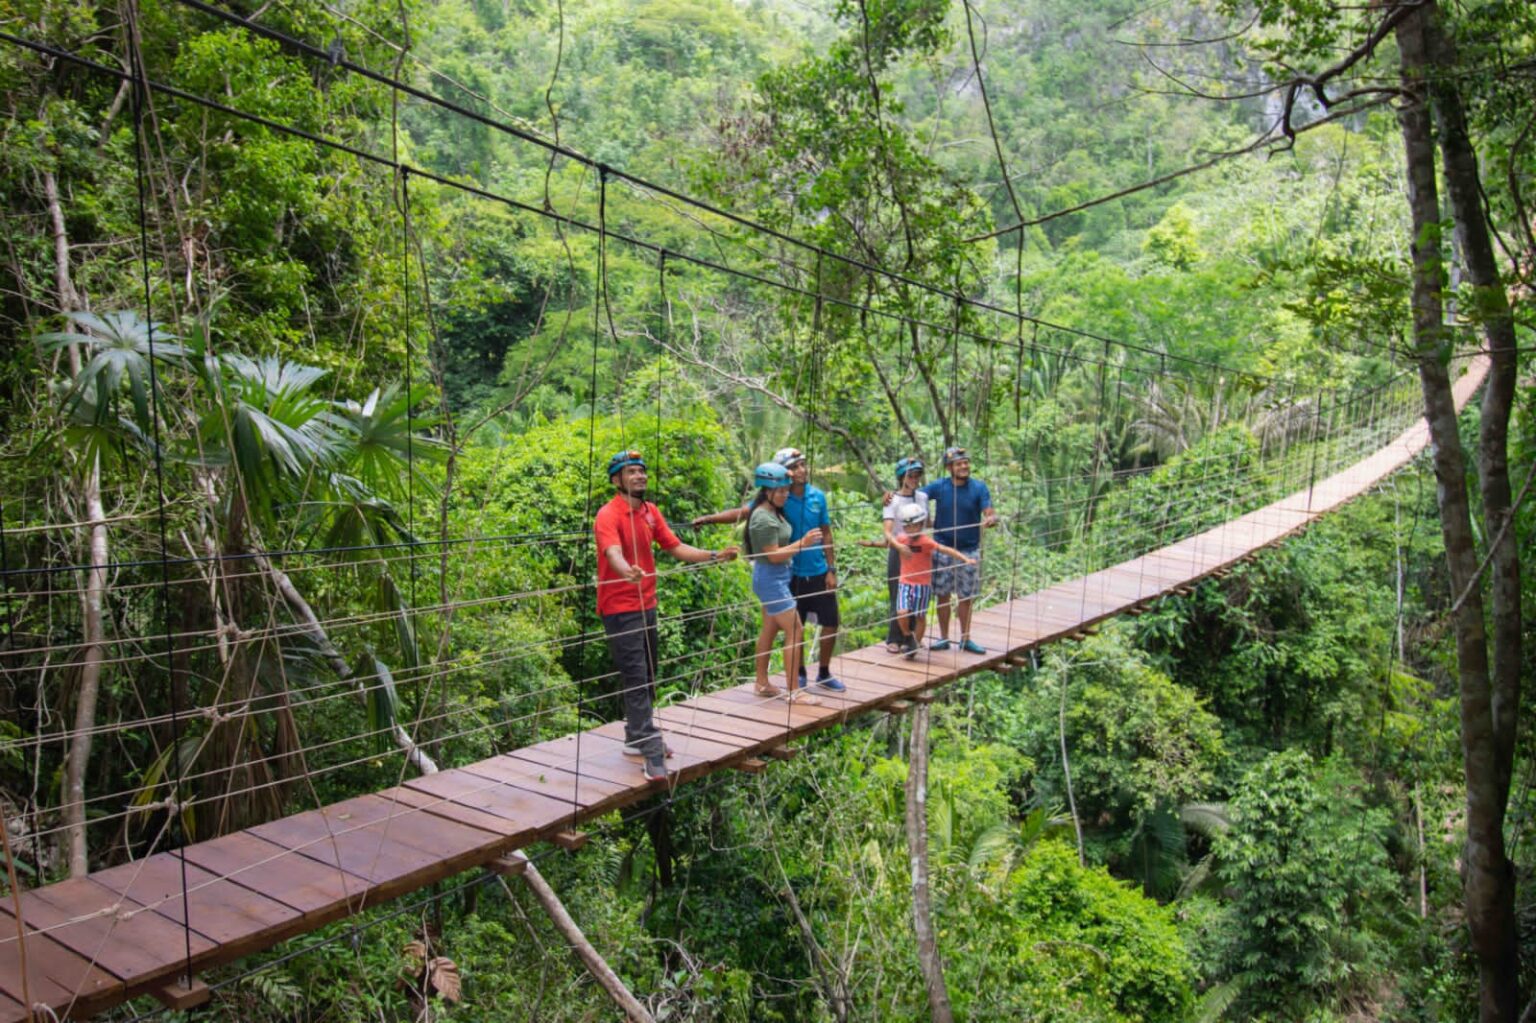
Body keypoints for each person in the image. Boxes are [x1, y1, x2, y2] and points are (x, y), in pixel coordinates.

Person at [594, 450, 738, 783]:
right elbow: (612, 552)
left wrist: (715, 556)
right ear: (617, 480)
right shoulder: (608, 514)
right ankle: (649, 748)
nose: (640, 476)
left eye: (642, 471)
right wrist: (625, 570)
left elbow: (675, 547)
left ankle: (635, 735)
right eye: (631, 472)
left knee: (649, 672)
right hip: (619, 607)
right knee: (636, 675)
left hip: (647, 604)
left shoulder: (650, 512)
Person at [692, 447, 846, 691]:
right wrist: (711, 518)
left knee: (826, 622)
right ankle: (796, 681)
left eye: (803, 465)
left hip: (809, 569)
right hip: (786, 574)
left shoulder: (812, 497)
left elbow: (827, 533)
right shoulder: (773, 501)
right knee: (795, 628)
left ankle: (819, 673)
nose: (801, 470)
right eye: (795, 467)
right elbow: (744, 513)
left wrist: (831, 568)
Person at [742, 462, 823, 699]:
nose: (785, 495)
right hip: (771, 579)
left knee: (769, 628)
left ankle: (761, 683)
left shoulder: (772, 512)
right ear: (767, 491)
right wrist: (803, 543)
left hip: (776, 577)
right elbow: (774, 555)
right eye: (781, 491)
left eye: (787, 490)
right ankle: (795, 692)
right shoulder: (762, 519)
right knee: (795, 629)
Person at [922, 446, 998, 653]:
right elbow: (916, 496)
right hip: (942, 549)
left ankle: (965, 638)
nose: (964, 466)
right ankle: (944, 638)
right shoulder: (939, 487)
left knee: (966, 596)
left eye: (966, 462)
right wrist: (892, 498)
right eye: (959, 463)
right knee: (943, 595)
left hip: (968, 551)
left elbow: (989, 511)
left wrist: (991, 518)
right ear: (949, 467)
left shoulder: (979, 488)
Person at [883, 504, 974, 657]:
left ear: (921, 524)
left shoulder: (926, 542)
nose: (911, 529)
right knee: (902, 611)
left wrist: (965, 559)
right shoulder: (902, 539)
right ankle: (907, 636)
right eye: (908, 526)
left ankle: (915, 645)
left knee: (920, 616)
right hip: (905, 582)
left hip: (923, 585)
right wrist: (898, 546)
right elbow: (889, 539)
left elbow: (945, 549)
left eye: (914, 526)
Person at [882, 457, 927, 653]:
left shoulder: (923, 498)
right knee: (897, 593)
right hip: (899, 550)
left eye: (917, 475)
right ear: (902, 478)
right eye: (910, 475)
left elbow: (928, 524)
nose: (914, 478)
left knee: (916, 594)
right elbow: (887, 531)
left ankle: (912, 639)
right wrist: (899, 547)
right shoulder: (892, 500)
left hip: (919, 552)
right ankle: (894, 639)